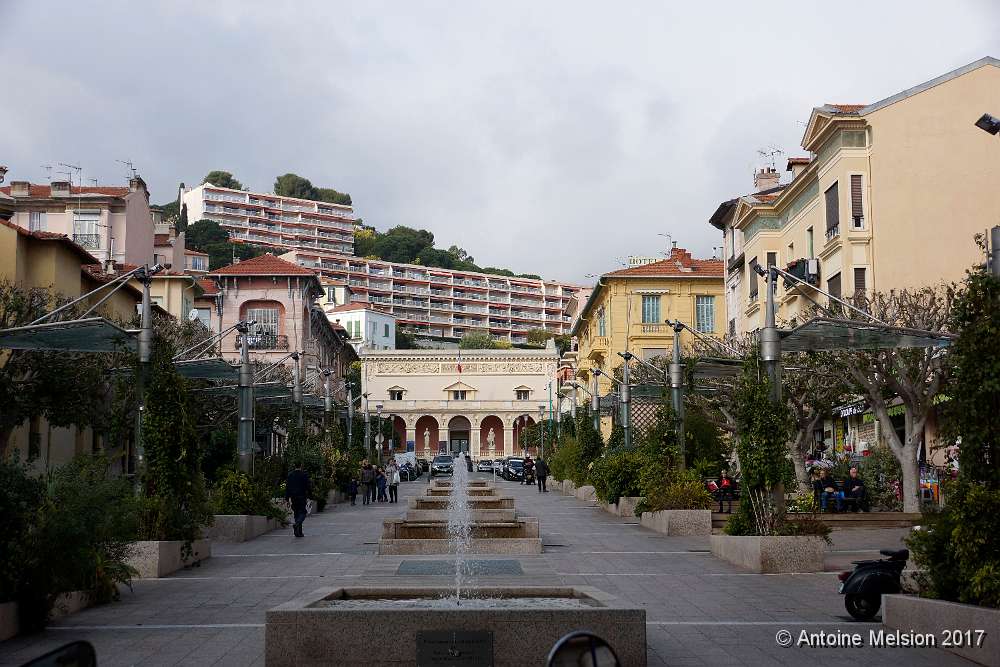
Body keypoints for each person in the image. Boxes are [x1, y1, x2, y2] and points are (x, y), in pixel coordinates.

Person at [285, 462, 312, 538]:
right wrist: (310, 496)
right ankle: (297, 525)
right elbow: (308, 486)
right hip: (302, 496)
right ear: (301, 466)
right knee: (303, 512)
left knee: (296, 514)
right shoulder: (304, 475)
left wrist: (287, 498)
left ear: (294, 466)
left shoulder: (290, 475)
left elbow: (287, 487)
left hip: (293, 497)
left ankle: (298, 532)